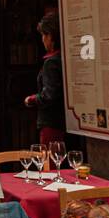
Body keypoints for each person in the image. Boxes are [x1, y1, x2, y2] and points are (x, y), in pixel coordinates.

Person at [25, 12, 66, 144]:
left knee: (51, 161)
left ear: (51, 36)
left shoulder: (51, 62)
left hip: (52, 123)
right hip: (64, 122)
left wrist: (31, 99)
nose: (42, 39)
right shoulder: (64, 58)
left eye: (44, 35)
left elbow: (50, 95)